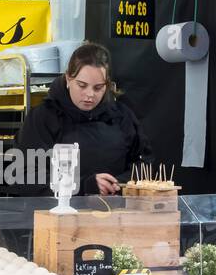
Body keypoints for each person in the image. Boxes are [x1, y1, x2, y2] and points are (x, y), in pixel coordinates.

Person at [15, 42, 151, 196]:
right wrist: (83, 186)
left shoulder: (122, 116)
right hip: (57, 214)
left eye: (98, 87)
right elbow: (27, 176)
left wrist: (116, 184)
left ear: (107, 85)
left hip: (114, 212)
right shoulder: (43, 117)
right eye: (82, 85)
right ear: (68, 78)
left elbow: (144, 164)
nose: (89, 95)